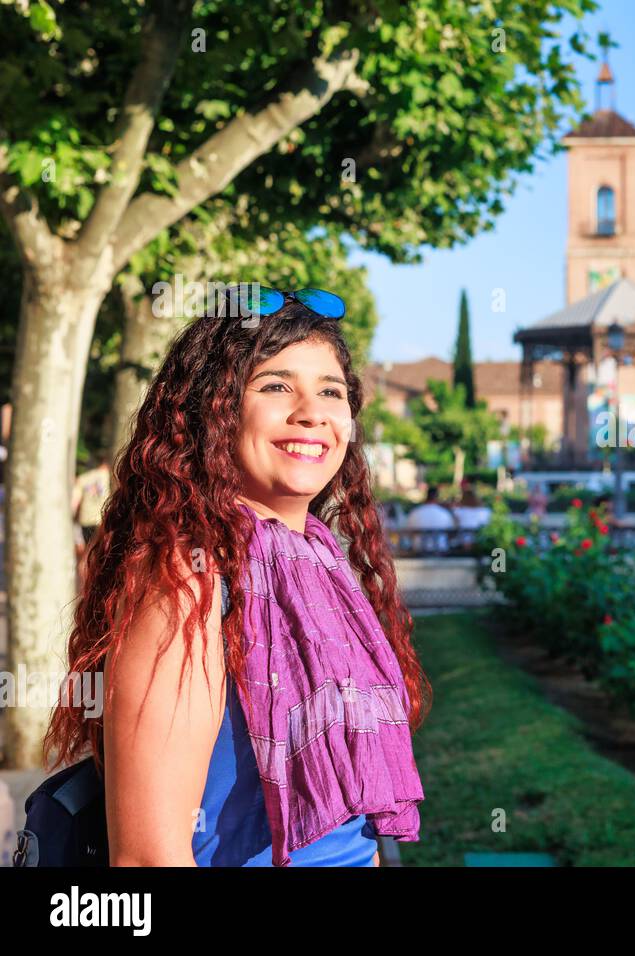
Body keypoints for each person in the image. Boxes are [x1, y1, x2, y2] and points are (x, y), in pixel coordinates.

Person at [44, 289, 429, 867]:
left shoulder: (329, 571)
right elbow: (149, 858)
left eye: (332, 391)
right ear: (214, 409)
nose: (312, 411)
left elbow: (355, 834)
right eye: (276, 386)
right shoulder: (191, 581)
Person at [71, 453, 112, 583]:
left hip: (85, 519)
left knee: (84, 554)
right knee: (98, 554)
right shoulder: (109, 476)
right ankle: (92, 580)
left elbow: (74, 502)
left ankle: (83, 581)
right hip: (100, 520)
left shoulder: (83, 478)